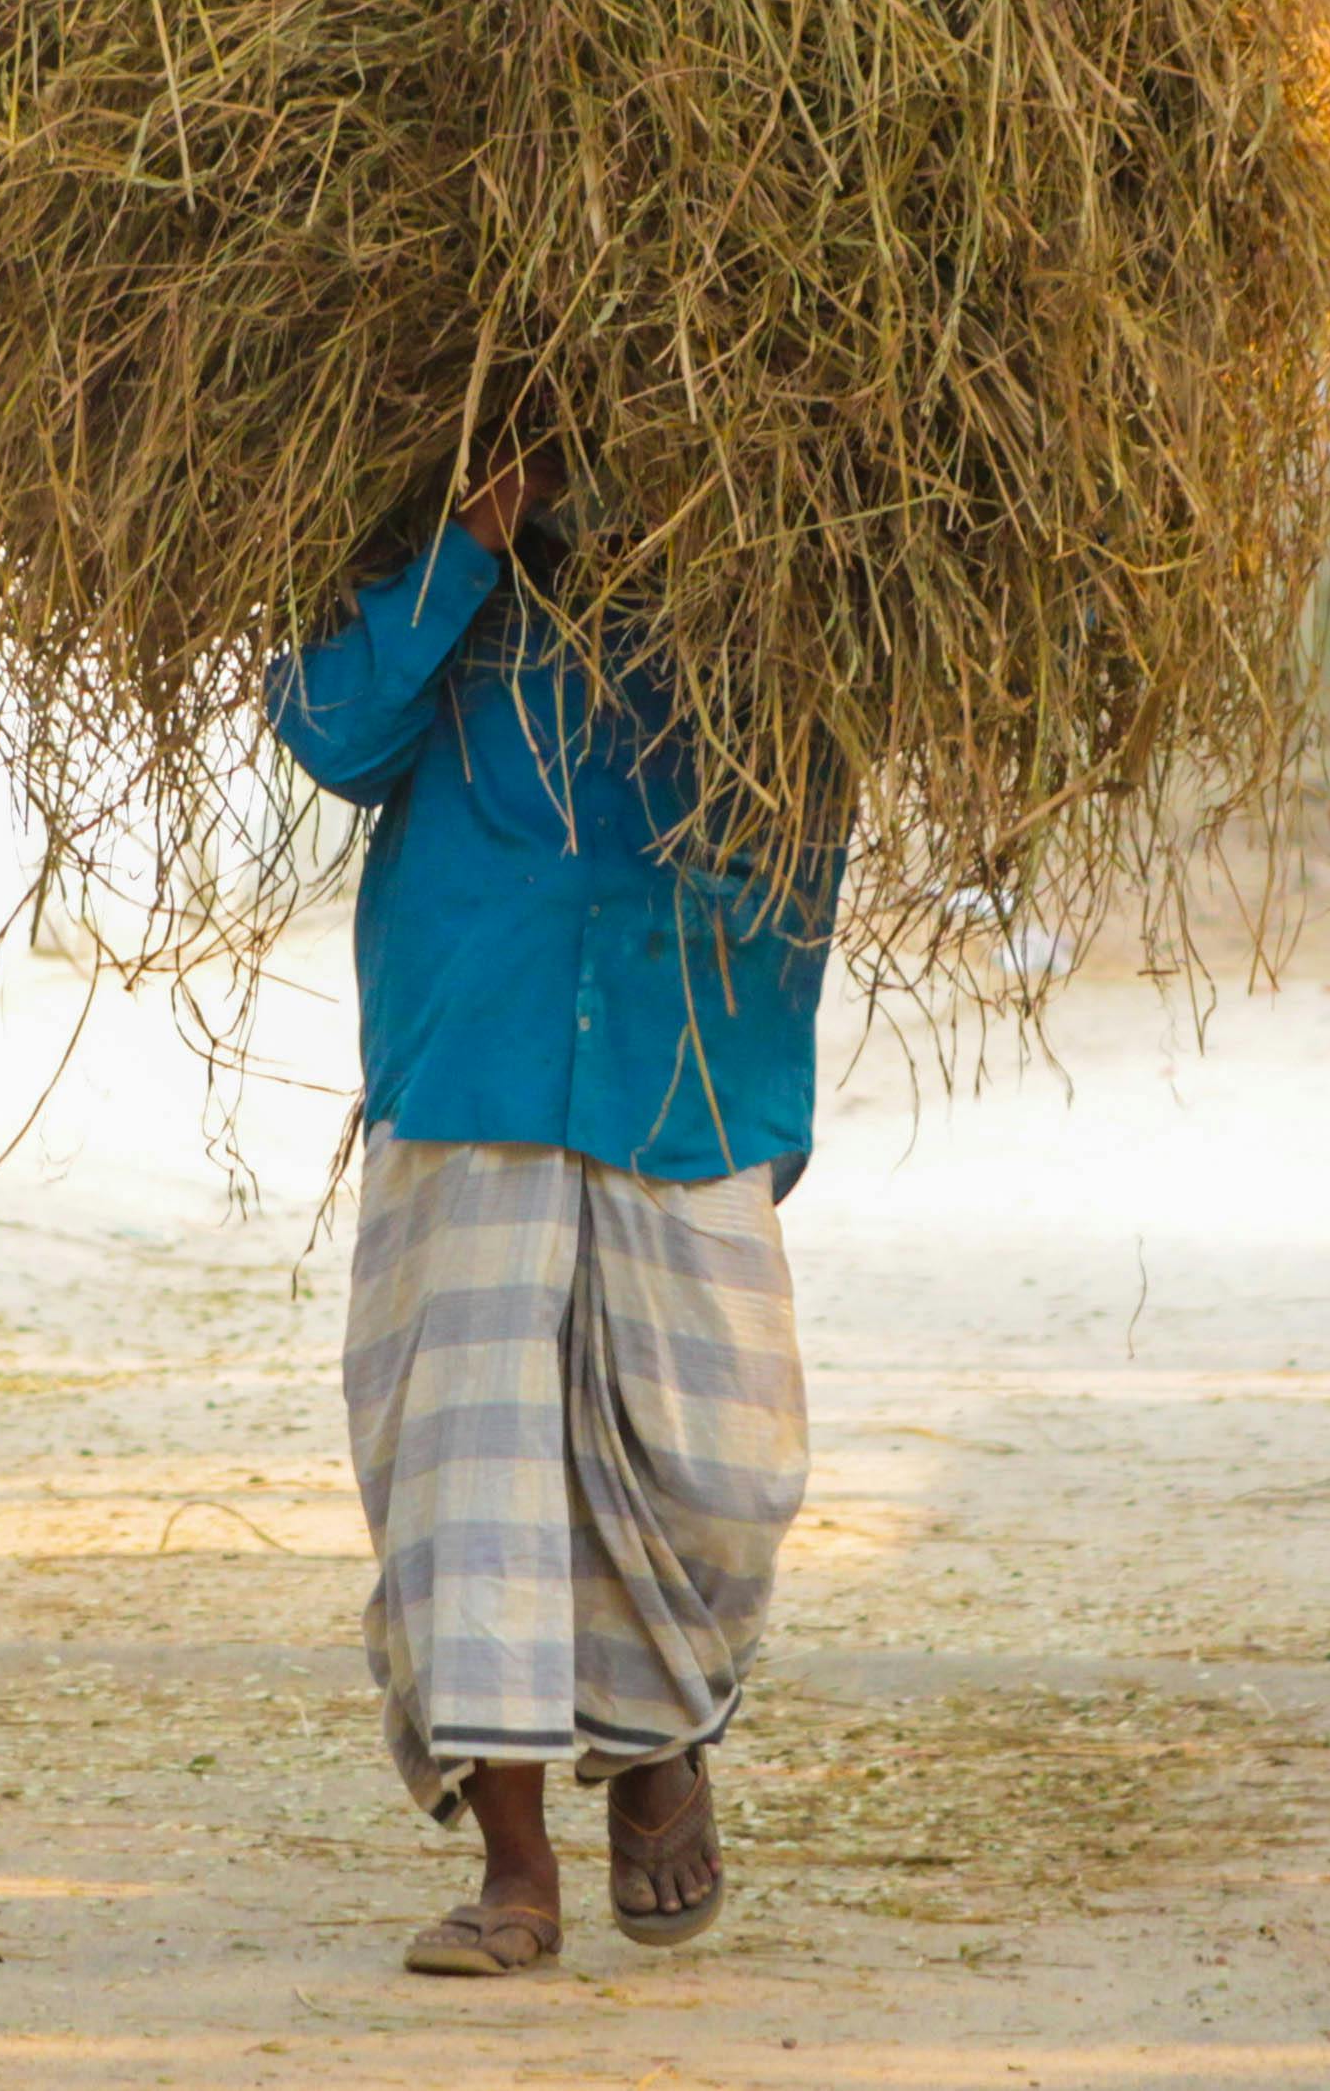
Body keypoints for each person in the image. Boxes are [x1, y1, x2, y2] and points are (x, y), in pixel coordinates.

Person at [263, 448, 839, 1978]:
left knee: (725, 1472)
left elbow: (827, 782)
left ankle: (661, 1744)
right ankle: (515, 1874)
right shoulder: (425, 553)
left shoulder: (778, 566)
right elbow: (329, 731)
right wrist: (474, 533)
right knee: (471, 1487)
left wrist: (774, 1072)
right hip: (474, 1052)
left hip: (690, 1052)